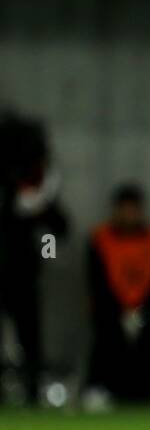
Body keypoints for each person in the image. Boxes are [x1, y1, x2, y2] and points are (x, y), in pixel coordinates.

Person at [84, 184, 150, 408]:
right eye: (125, 209)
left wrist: (141, 312)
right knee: (106, 335)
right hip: (112, 311)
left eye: (134, 209)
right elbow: (97, 283)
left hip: (147, 310)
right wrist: (120, 313)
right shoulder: (100, 239)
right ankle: (96, 389)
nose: (129, 215)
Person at [0, 109, 68, 406]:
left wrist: (38, 205)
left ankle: (32, 393)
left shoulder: (32, 187)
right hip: (16, 269)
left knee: (30, 339)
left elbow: (60, 227)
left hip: (21, 273)